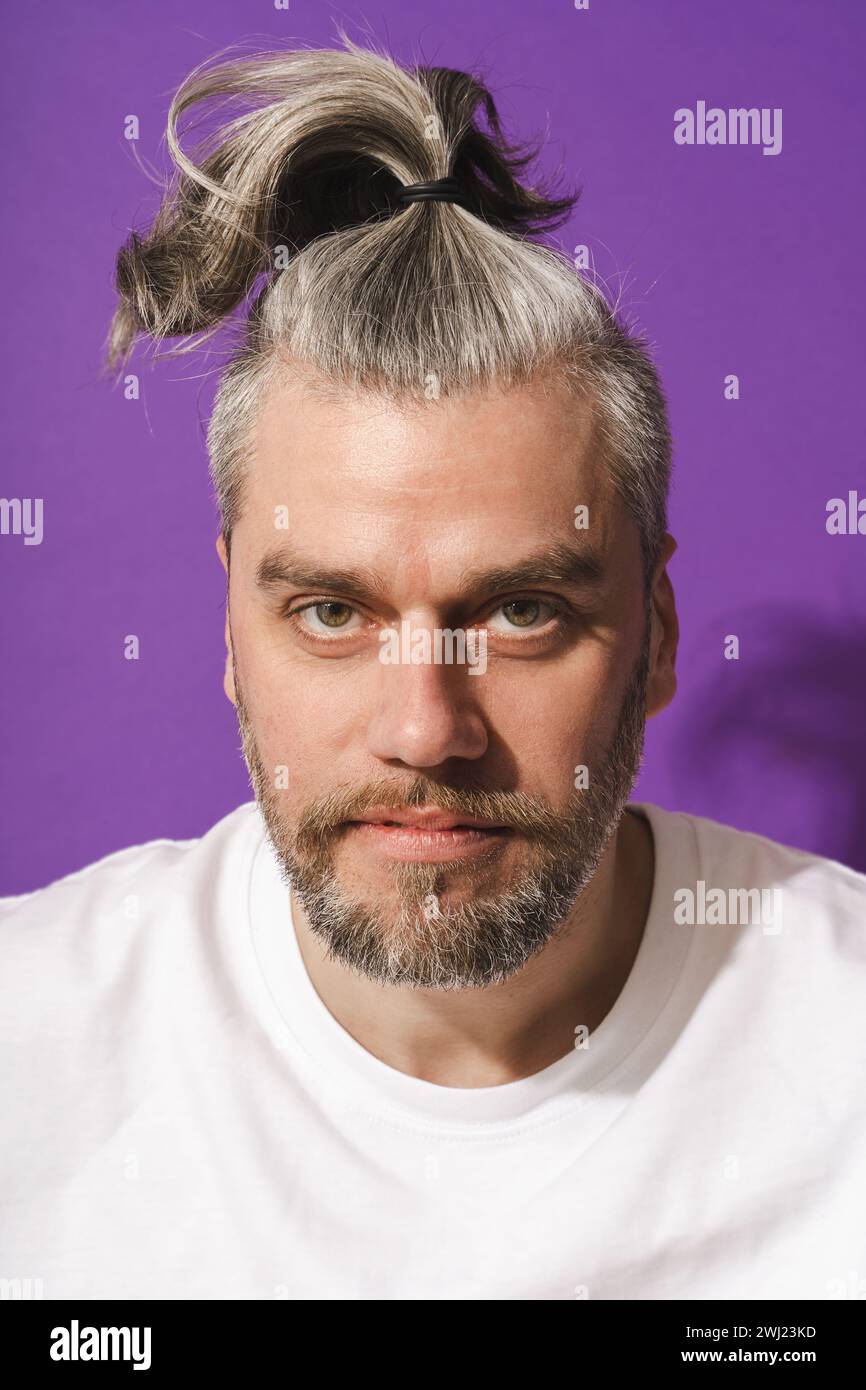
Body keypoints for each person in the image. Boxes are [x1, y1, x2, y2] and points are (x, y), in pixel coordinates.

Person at [2, 37, 864, 1302]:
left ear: (659, 631)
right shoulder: (29, 1045)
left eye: (519, 610)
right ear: (230, 629)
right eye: (331, 611)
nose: (423, 729)